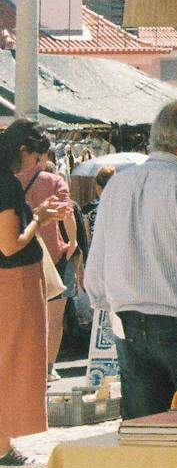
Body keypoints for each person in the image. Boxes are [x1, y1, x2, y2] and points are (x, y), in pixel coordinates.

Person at [84, 99, 177, 420]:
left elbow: (96, 265)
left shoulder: (117, 185)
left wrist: (108, 307)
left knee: (146, 433)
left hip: (128, 323)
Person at [0, 121, 73, 468]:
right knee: (14, 362)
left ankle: (2, 446)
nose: (38, 167)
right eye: (37, 159)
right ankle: (2, 448)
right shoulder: (5, 182)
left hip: (12, 281)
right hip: (14, 282)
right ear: (23, 151)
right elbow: (10, 245)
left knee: (9, 362)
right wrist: (39, 216)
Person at [15, 124, 77, 367]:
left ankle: (25, 364)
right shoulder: (54, 180)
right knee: (54, 315)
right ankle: (49, 367)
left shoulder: (11, 180)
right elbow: (67, 213)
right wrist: (72, 242)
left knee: (23, 316)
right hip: (53, 252)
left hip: (20, 254)